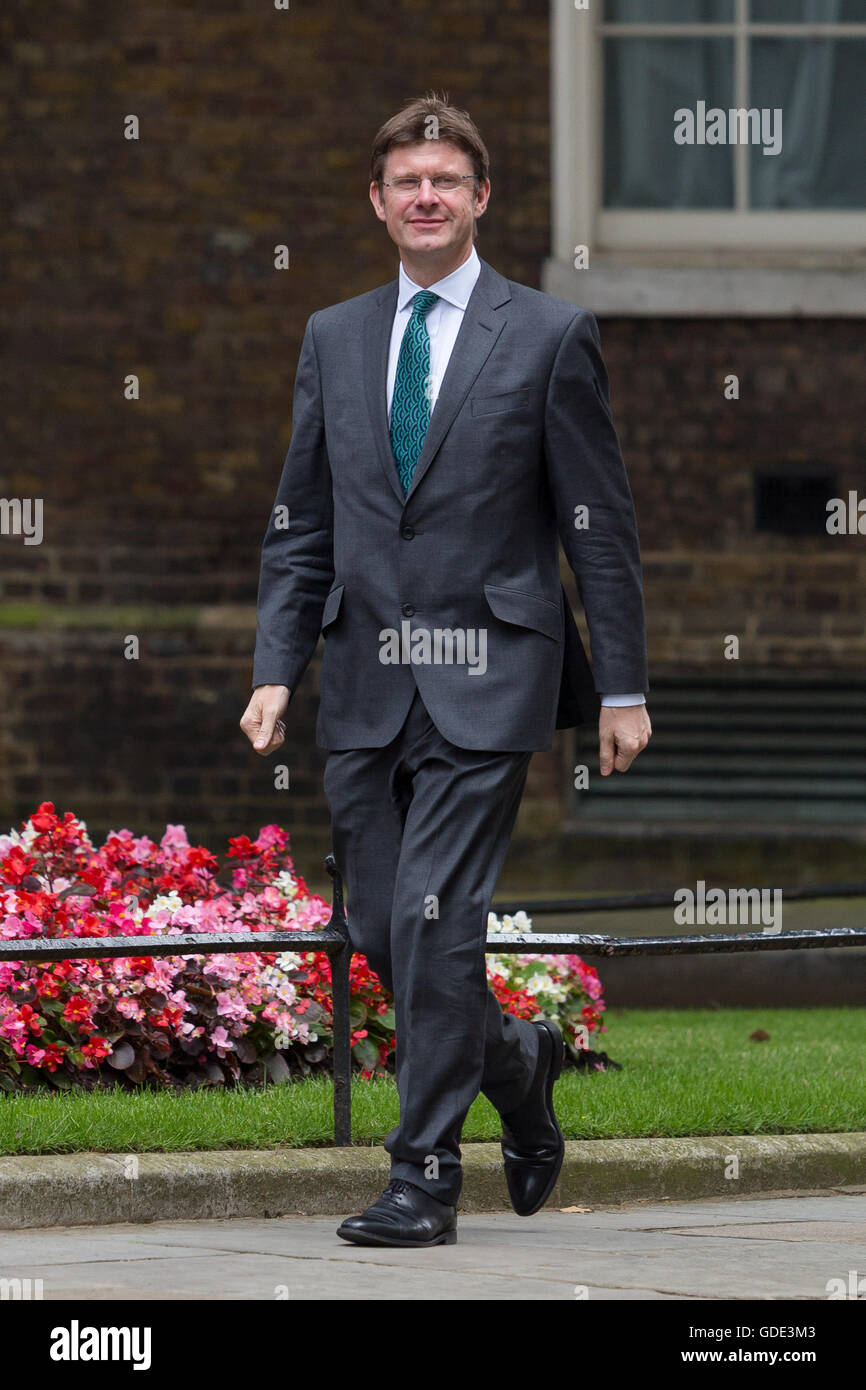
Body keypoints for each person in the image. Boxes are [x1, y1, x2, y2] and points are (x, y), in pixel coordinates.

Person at [240, 92, 651, 1248]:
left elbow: (597, 526)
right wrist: (275, 665)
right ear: (377, 205)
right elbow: (300, 522)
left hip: (491, 668)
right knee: (381, 923)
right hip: (364, 675)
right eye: (405, 182)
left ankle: (422, 1173)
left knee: (437, 915)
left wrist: (619, 687)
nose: (426, 197)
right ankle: (517, 1061)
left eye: (446, 181)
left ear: (479, 199)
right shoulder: (332, 335)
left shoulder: (549, 336)